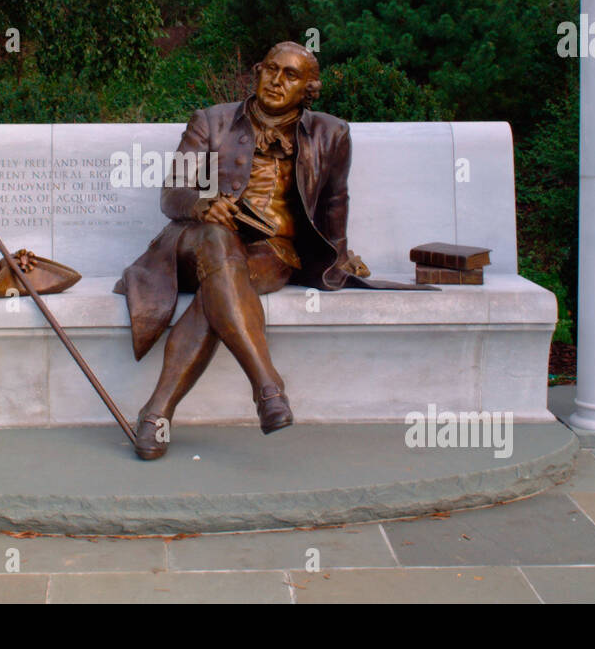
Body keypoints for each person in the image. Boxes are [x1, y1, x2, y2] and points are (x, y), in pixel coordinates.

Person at [114, 41, 433, 460]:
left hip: (272, 253)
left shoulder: (330, 134)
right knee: (217, 241)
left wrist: (338, 254)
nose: (277, 81)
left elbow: (336, 202)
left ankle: (157, 412)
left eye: (291, 75)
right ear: (258, 71)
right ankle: (267, 387)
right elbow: (172, 192)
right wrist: (202, 203)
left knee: (222, 292)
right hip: (195, 244)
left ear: (309, 89)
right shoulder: (212, 122)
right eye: (271, 69)